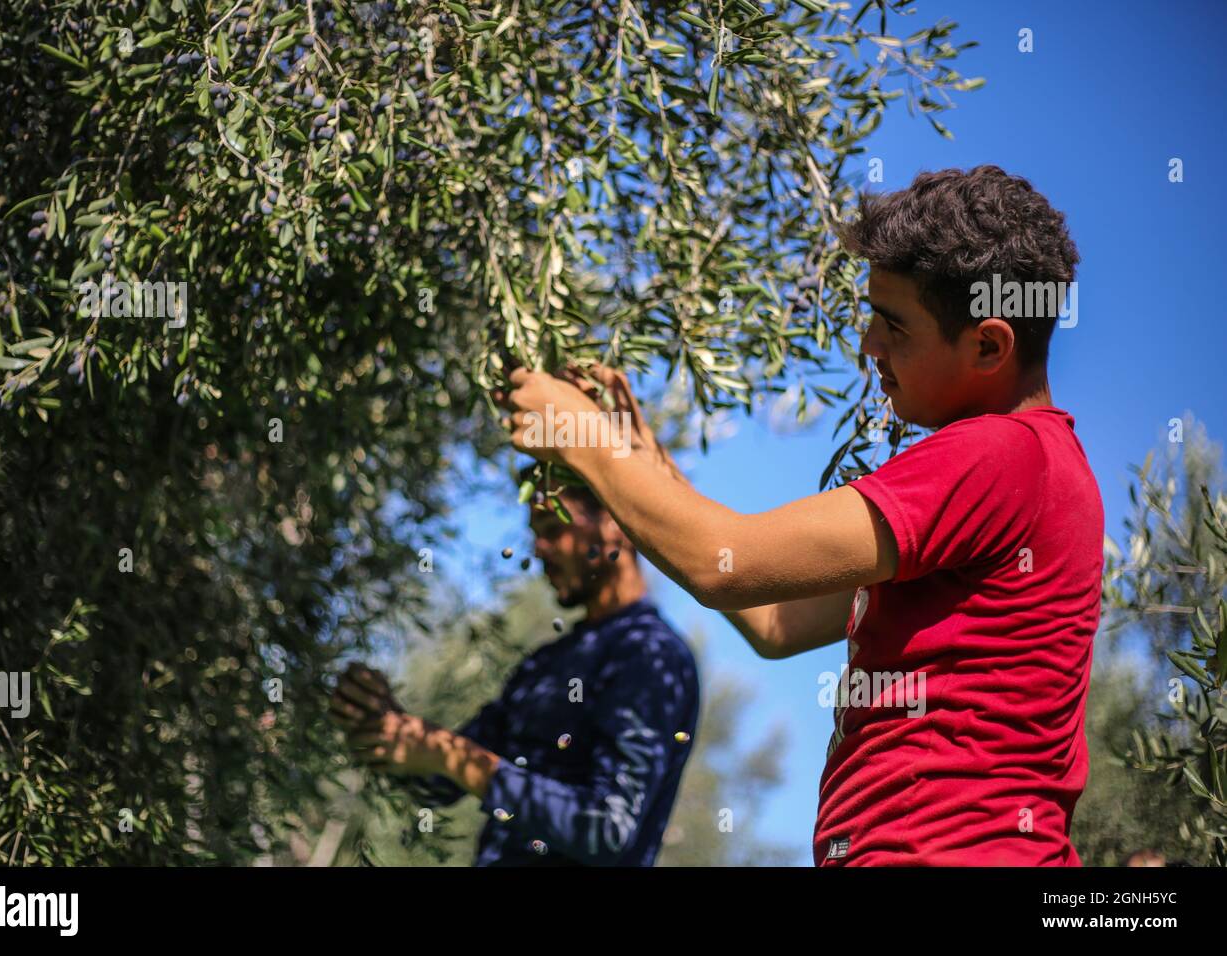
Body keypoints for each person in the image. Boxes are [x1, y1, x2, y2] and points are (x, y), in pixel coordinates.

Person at [501, 165, 1102, 866]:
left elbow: (724, 563)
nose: (870, 346)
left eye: (895, 326)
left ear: (989, 346)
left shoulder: (1001, 454)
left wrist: (582, 437)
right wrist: (646, 466)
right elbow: (775, 621)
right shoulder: (1038, 471)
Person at [330, 473, 700, 866]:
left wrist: (448, 754)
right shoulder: (546, 663)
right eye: (535, 533)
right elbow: (441, 782)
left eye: (554, 529)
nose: (539, 549)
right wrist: (386, 726)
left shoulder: (650, 654)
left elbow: (606, 828)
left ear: (615, 523)